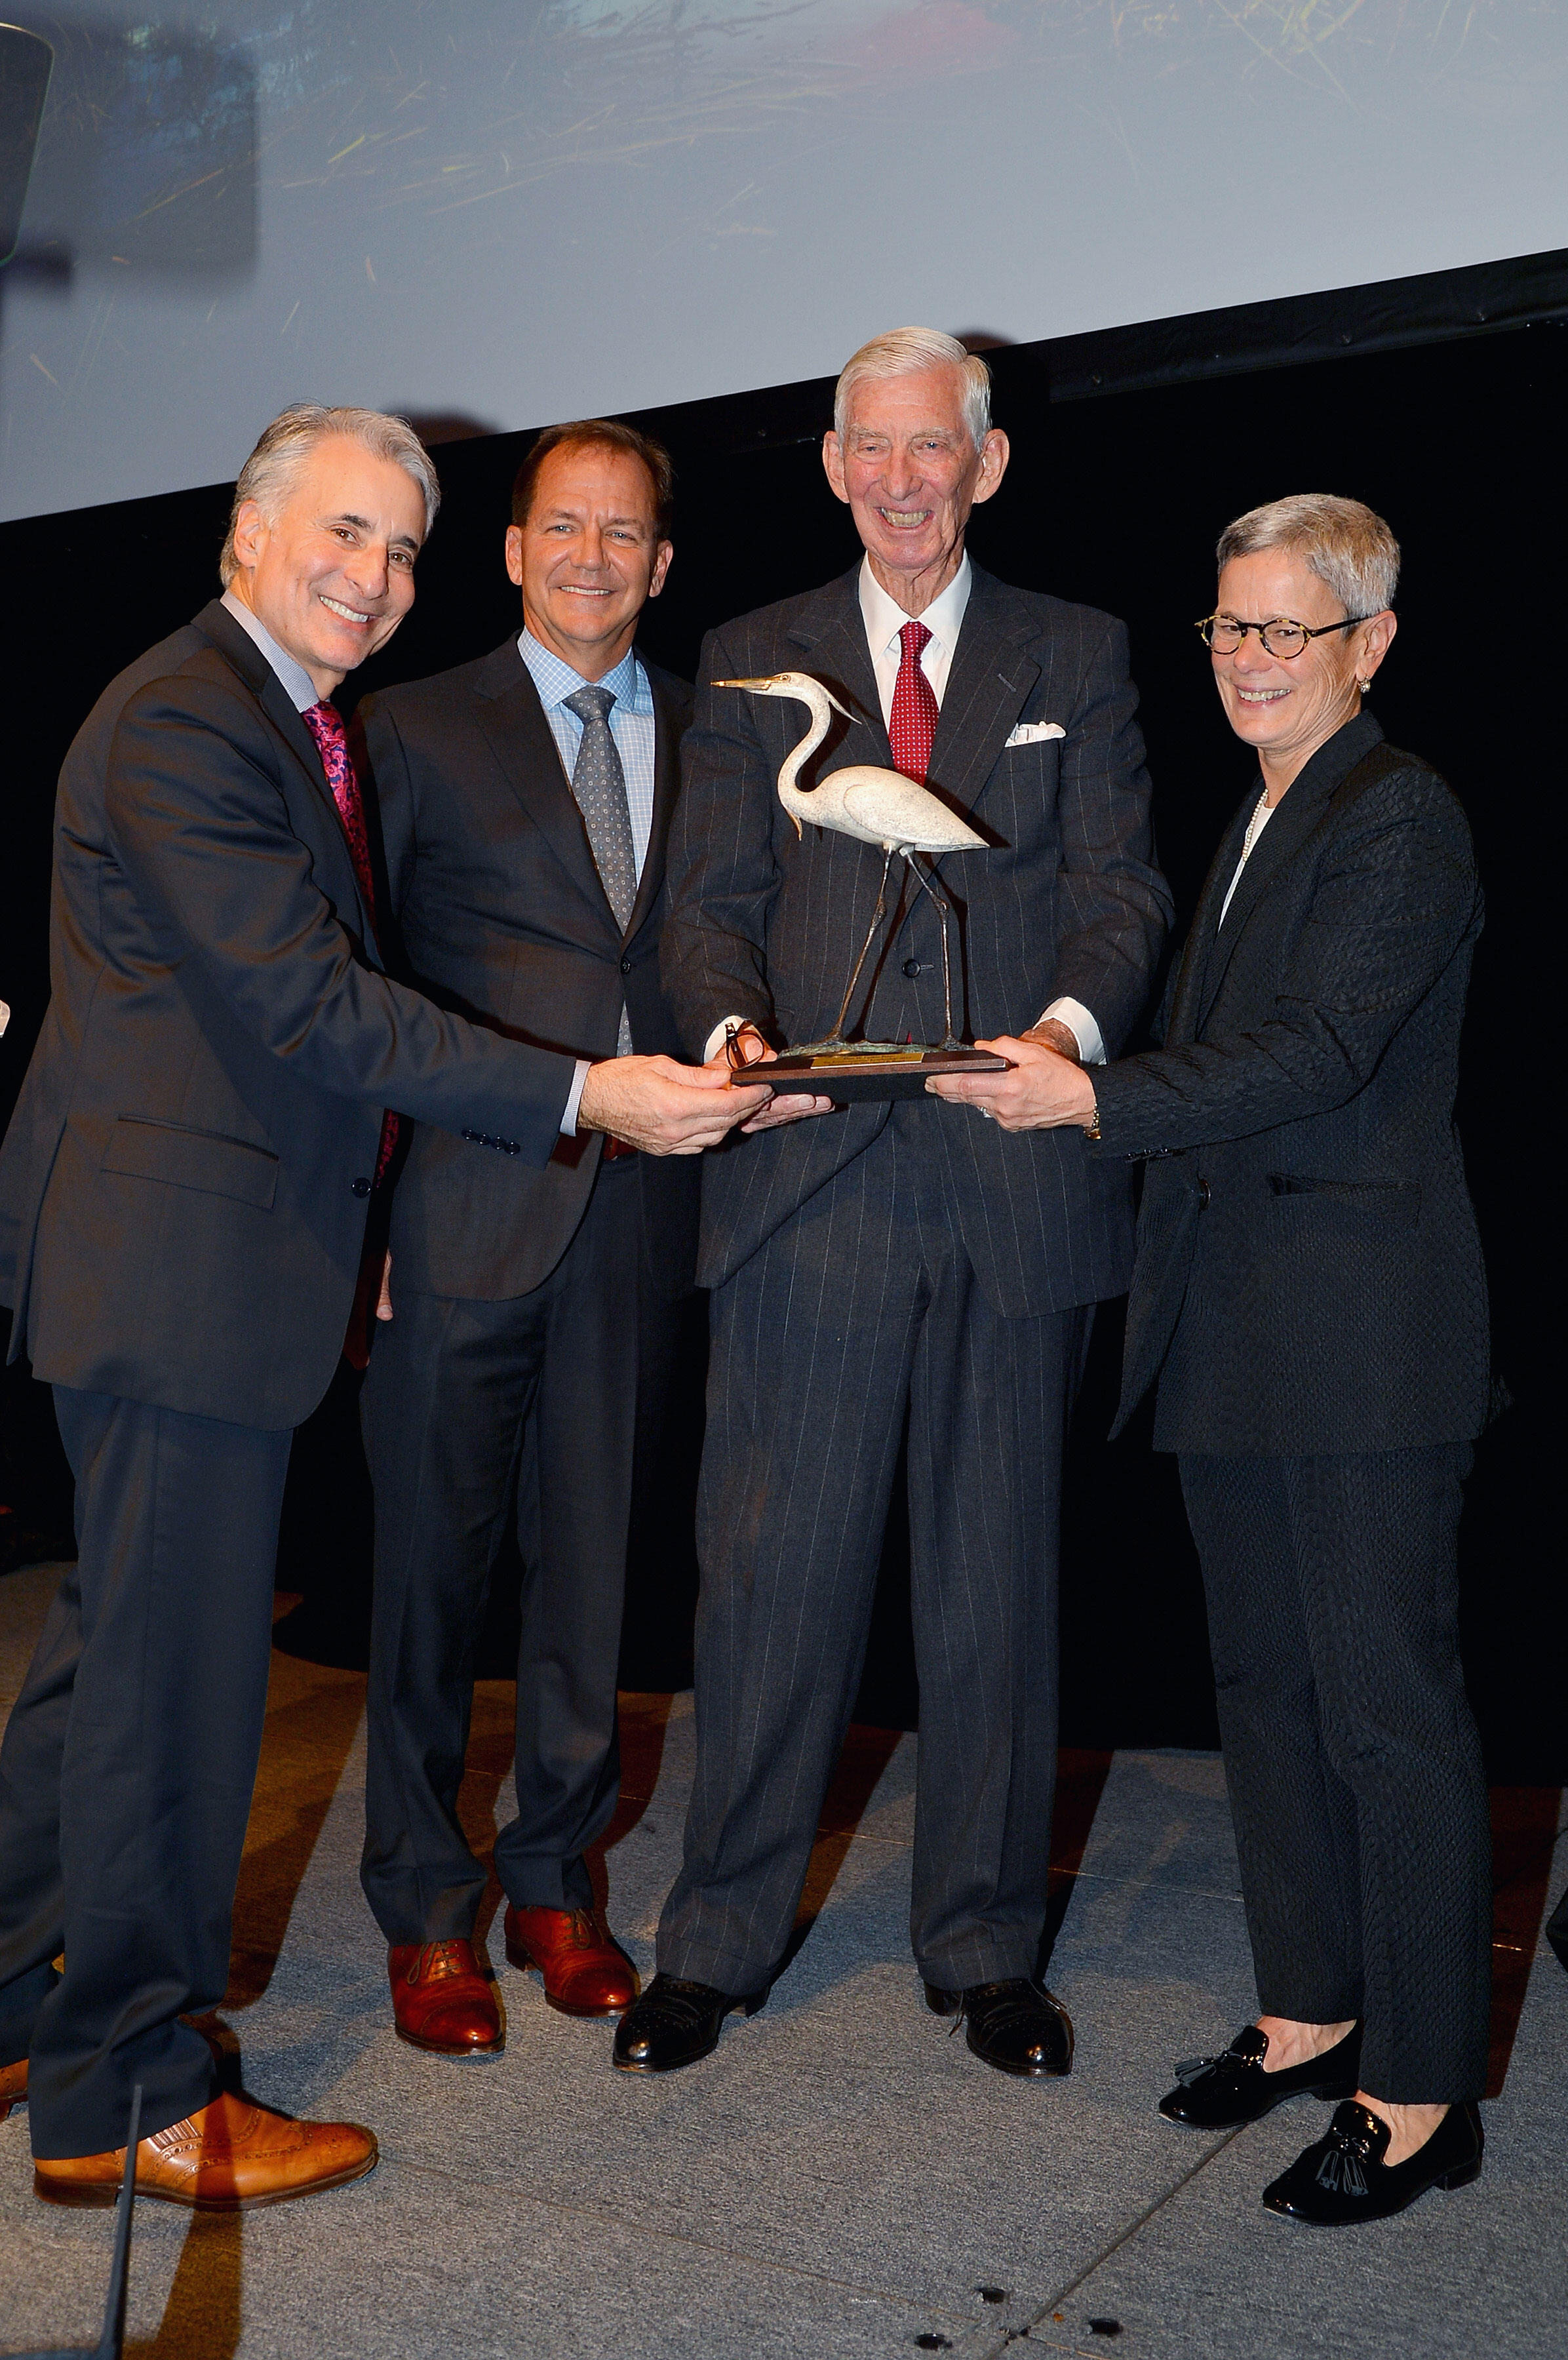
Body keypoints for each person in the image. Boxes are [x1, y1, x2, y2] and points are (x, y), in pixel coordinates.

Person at [0, 404, 767, 2207]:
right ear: (247, 534)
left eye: (399, 548)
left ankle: (21, 1998)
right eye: (344, 532)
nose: (374, 576)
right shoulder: (190, 717)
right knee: (172, 1699)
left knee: (110, 1664)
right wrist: (587, 1092)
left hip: (182, 1267)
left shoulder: (270, 717)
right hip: (178, 1273)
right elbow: (310, 1007)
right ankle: (125, 2095)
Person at [931, 493, 1493, 2226]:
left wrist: (1087, 1098)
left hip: (1359, 1347)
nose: (1247, 659)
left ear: (1368, 644)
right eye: (1228, 627)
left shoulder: (1398, 813)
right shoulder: (1259, 814)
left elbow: (1318, 1054)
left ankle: (1419, 2092)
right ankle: (1311, 2011)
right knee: (1266, 1699)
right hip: (1233, 1333)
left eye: (1284, 630)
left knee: (1387, 1720)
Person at [616, 327, 1170, 2077]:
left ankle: (988, 1949)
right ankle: (713, 1943)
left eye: (936, 448)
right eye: (874, 447)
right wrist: (730, 1031)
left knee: (995, 1595)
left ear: (985, 466)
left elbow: (1123, 893)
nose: (905, 479)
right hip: (808, 1185)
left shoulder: (1076, 649)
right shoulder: (748, 653)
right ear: (836, 465)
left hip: (1011, 1180)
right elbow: (704, 902)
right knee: (766, 1588)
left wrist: (1064, 1038)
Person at [352, 421, 701, 2049]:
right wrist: (364, 1216)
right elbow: (357, 991)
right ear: (508, 551)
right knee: (427, 1582)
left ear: (661, 563)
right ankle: (425, 1908)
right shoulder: (409, 728)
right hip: (458, 1211)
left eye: (622, 534)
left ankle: (555, 1881)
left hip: (642, 1219)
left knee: (595, 1576)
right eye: (563, 527)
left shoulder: (716, 730)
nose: (591, 557)